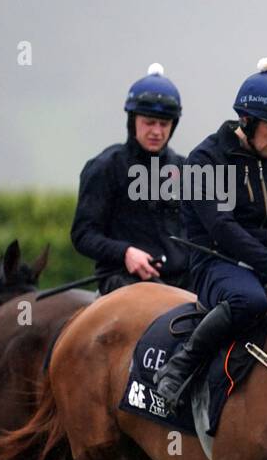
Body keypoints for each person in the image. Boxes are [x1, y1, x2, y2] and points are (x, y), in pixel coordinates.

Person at [153, 58, 267, 407]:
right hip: (217, 263)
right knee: (251, 301)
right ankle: (179, 367)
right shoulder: (205, 160)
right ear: (247, 121)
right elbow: (222, 228)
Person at [71, 63, 190, 294]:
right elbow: (83, 234)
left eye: (164, 124)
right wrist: (125, 253)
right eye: (149, 122)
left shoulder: (184, 169)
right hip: (124, 280)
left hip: (181, 281)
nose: (157, 131)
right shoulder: (105, 167)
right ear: (132, 121)